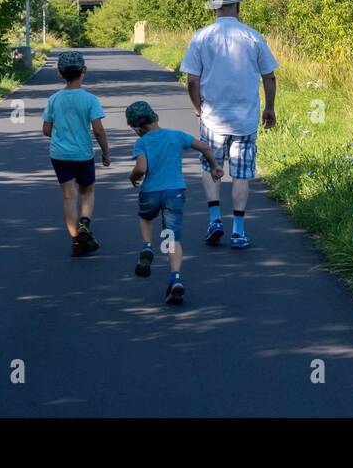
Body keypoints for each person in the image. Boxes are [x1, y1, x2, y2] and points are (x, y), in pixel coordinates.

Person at [179, 0, 278, 249]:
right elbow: (269, 75)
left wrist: (197, 106)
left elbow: (191, 80)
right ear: (238, 5)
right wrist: (269, 108)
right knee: (242, 173)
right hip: (245, 119)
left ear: (215, 8)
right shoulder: (253, 36)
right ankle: (239, 229)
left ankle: (214, 218)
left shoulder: (201, 36)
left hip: (212, 118)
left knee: (210, 167)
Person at [125, 100, 223, 305]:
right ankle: (175, 278)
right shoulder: (176, 135)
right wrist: (214, 166)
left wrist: (133, 177)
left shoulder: (142, 142)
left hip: (151, 193)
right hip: (174, 193)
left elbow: (141, 168)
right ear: (156, 117)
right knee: (171, 237)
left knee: (145, 217)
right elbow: (204, 146)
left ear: (136, 129)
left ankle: (147, 247)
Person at [41, 51, 111, 257]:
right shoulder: (90, 99)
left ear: (60, 74)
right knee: (87, 191)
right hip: (83, 154)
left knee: (68, 196)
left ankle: (76, 242)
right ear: (84, 71)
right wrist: (106, 152)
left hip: (59, 154)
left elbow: (46, 129)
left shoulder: (53, 99)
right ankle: (84, 224)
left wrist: (60, 132)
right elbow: (98, 129)